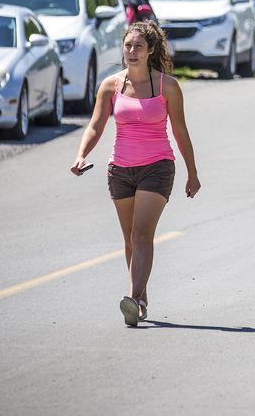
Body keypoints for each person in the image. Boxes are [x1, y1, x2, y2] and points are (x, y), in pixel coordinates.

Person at [70, 21, 201, 327]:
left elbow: (180, 132)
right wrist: (81, 155)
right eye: (128, 45)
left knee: (142, 234)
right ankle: (140, 301)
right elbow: (95, 125)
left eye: (138, 46)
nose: (131, 51)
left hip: (157, 166)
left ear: (151, 50)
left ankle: (132, 299)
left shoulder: (167, 86)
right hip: (120, 169)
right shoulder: (111, 85)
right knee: (130, 239)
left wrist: (192, 173)